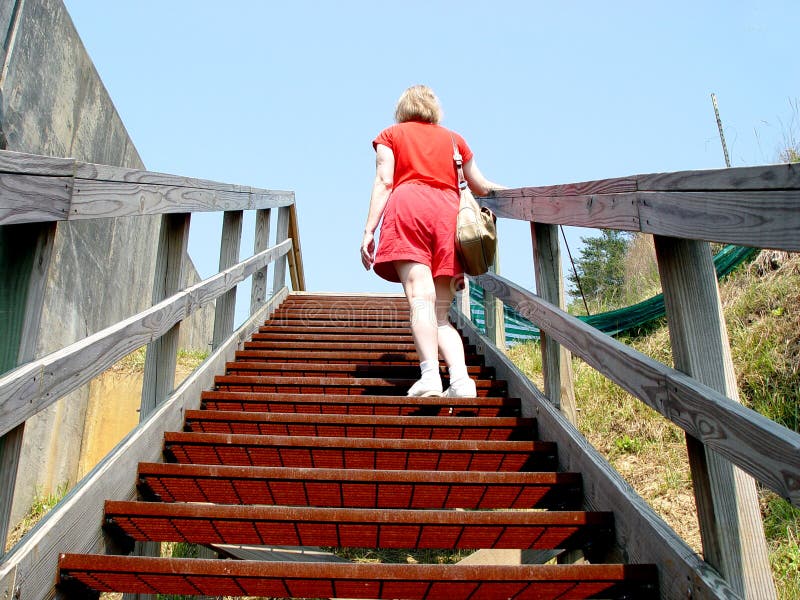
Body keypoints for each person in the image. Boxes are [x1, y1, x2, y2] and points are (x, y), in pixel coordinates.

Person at [360, 85, 504, 397]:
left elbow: (385, 180)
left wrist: (369, 230)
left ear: (403, 109)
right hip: (447, 216)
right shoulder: (455, 139)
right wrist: (513, 194)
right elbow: (480, 185)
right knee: (440, 314)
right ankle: (462, 381)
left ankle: (430, 377)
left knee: (420, 301)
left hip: (408, 209)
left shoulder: (391, 135)